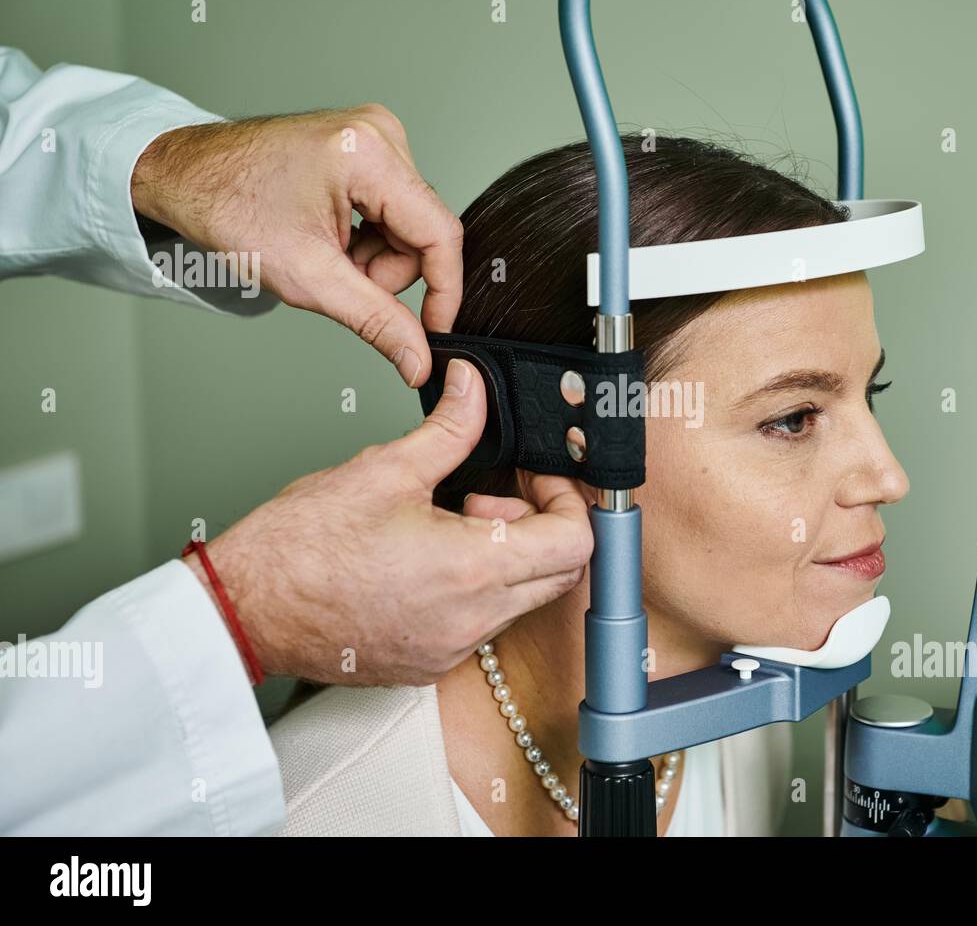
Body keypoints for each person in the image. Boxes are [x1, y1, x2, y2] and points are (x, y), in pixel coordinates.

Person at [0, 47, 592, 835]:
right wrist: (242, 614)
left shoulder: (719, 702)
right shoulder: (334, 800)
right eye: (786, 421)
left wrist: (170, 163)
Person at [268, 135, 911, 836]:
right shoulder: (326, 809)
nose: (888, 477)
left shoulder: (741, 705)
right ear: (557, 439)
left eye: (869, 393)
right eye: (792, 418)